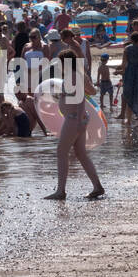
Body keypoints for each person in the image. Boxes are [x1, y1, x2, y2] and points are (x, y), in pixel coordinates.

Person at [43, 52, 106, 201]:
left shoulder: (72, 76)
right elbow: (92, 91)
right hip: (79, 118)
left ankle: (60, 191)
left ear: (65, 62)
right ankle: (97, 187)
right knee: (81, 154)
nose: (59, 65)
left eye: (60, 62)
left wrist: (77, 120)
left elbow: (78, 99)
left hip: (74, 119)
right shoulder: (78, 75)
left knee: (61, 151)